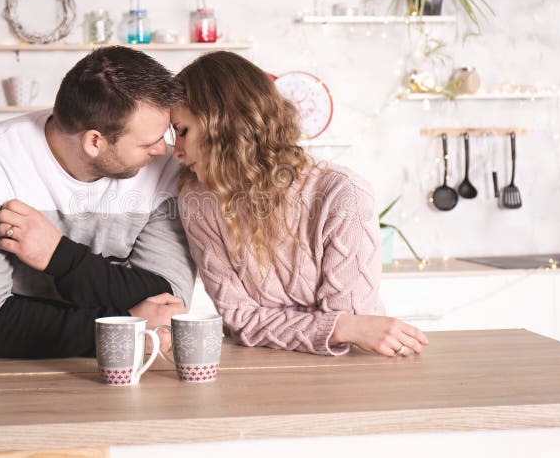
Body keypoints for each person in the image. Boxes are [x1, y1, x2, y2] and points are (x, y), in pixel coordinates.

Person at [0, 46, 195, 358]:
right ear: (94, 142)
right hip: (10, 378)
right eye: (148, 142)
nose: (164, 149)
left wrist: (59, 257)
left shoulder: (166, 167)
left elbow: (167, 303)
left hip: (131, 371)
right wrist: (130, 324)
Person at [172, 51, 428, 357]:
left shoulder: (342, 193)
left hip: (353, 370)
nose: (177, 151)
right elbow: (240, 320)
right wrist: (337, 327)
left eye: (183, 131)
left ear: (223, 125)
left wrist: (340, 327)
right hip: (258, 370)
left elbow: (350, 327)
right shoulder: (198, 199)